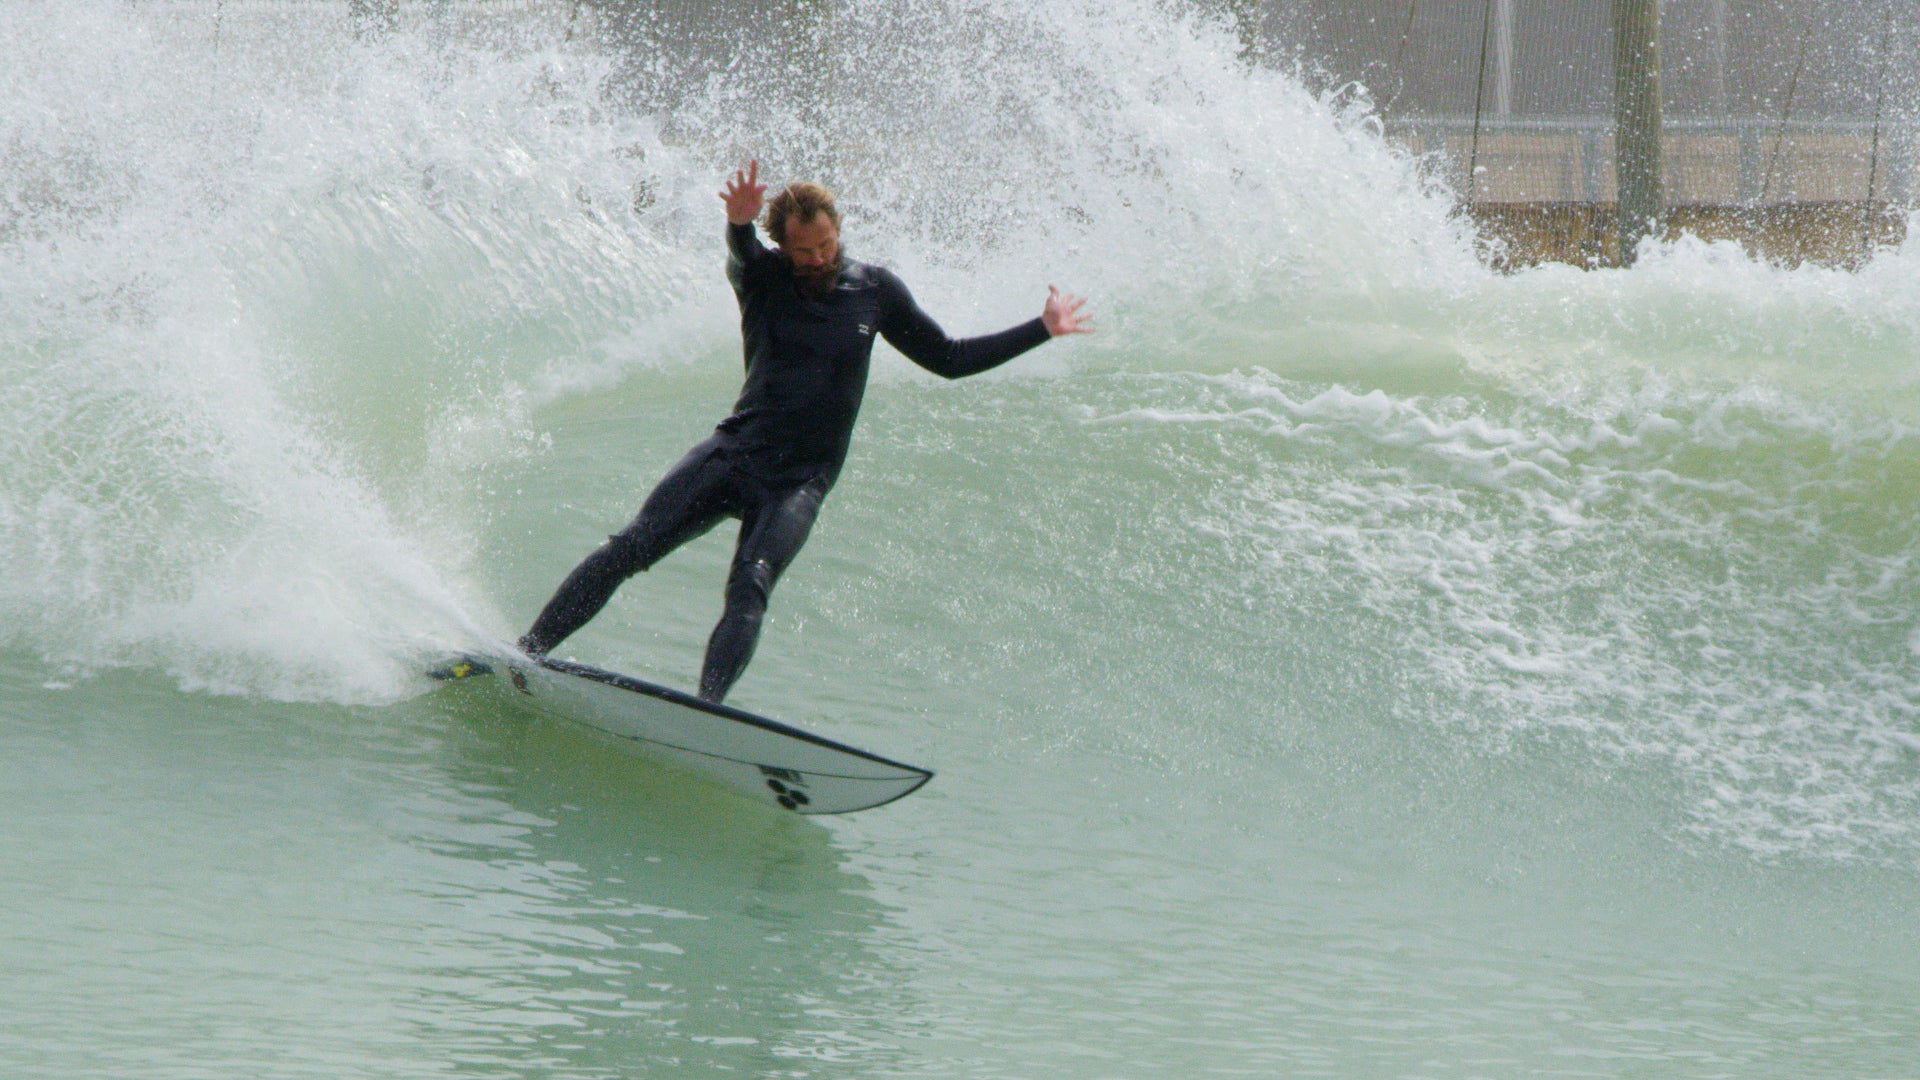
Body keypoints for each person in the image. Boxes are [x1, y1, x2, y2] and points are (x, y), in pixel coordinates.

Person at [518, 160, 1092, 702]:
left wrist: (1040, 329)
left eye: (826, 245)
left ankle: (708, 709)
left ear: (839, 232)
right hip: (735, 452)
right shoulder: (764, 279)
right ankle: (527, 653)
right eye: (804, 251)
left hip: (800, 481)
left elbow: (949, 357)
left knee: (751, 584)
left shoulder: (876, 292)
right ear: (782, 246)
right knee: (630, 547)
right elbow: (741, 252)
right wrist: (738, 224)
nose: (818, 258)